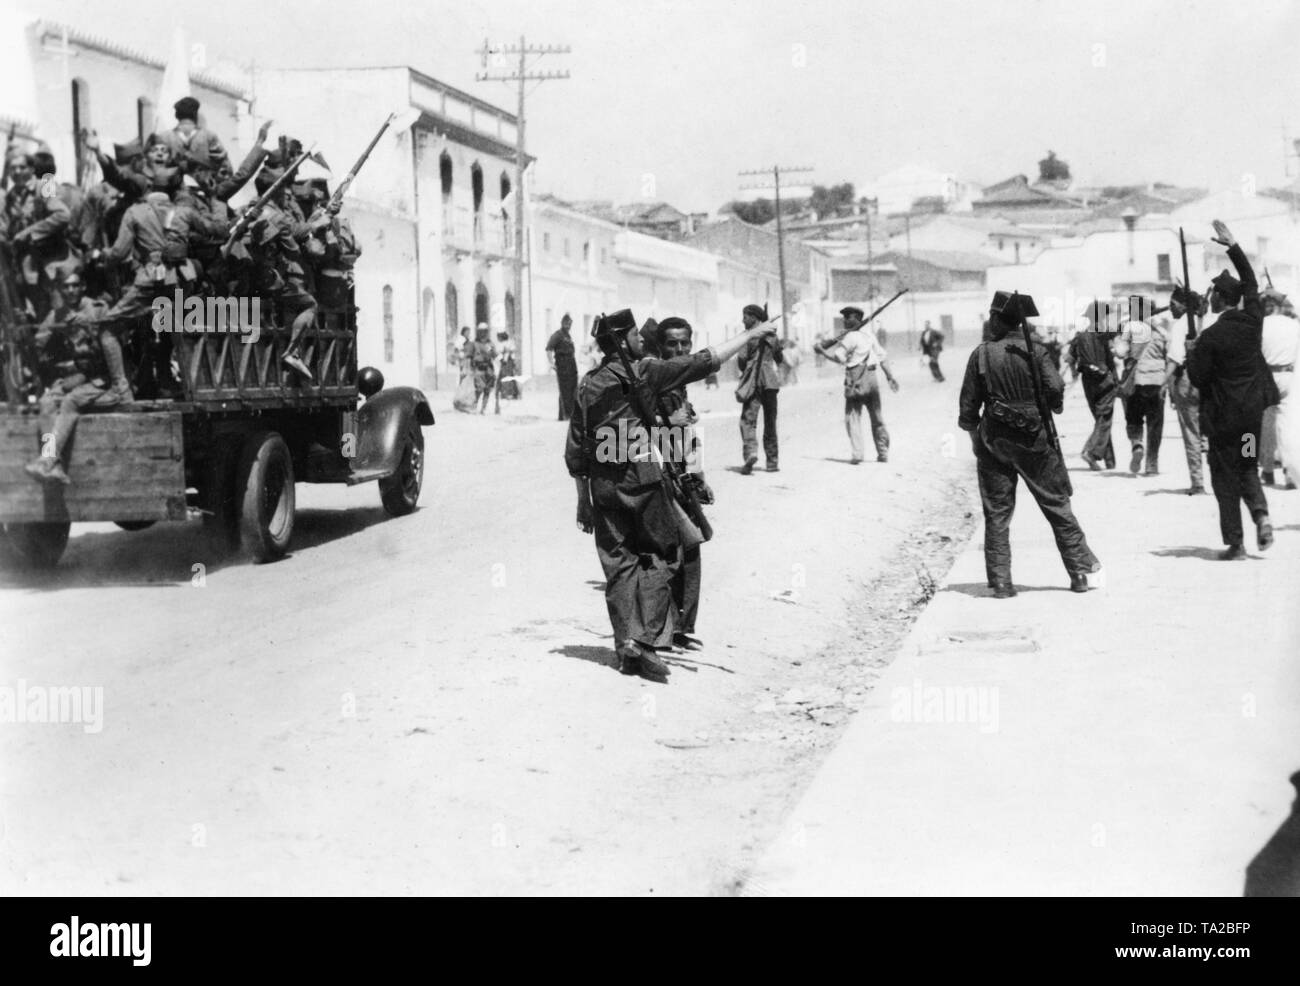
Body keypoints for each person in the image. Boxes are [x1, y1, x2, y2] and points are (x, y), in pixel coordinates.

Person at [566, 308, 777, 680]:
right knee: (664, 554)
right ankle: (644, 642)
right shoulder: (644, 372)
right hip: (641, 476)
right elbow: (704, 362)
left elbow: (577, 445)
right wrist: (751, 335)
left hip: (602, 482)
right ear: (624, 340)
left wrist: (583, 498)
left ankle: (625, 646)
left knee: (618, 565)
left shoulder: (588, 383)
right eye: (634, 335)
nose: (639, 340)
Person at [958, 290, 1102, 596]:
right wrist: (1048, 404)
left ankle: (1001, 582)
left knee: (997, 512)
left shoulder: (982, 354)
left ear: (997, 319)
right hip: (1035, 437)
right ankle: (1079, 574)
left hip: (994, 438)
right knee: (1056, 503)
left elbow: (968, 409)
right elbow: (1056, 388)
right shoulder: (1035, 352)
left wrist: (976, 441)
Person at [1186, 220, 1279, 559]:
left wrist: (1192, 350)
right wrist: (1234, 246)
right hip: (1250, 418)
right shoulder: (1252, 322)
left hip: (1222, 422)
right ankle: (1261, 514)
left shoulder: (1210, 338)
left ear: (1220, 299)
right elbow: (1252, 283)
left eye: (1212, 294)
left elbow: (1197, 379)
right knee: (1248, 466)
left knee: (1224, 478)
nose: (1209, 298)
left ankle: (1236, 543)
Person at [24, 271, 133, 486]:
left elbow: (111, 349)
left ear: (82, 286)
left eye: (75, 286)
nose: (71, 290)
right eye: (66, 286)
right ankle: (53, 464)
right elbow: (38, 341)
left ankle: (47, 460)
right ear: (60, 289)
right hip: (82, 377)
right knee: (46, 403)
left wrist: (81, 370)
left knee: (70, 401)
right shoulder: (58, 314)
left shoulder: (98, 309)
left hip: (104, 380)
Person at [647, 315, 712, 649]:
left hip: (681, 474)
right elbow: (630, 427)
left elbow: (688, 435)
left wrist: (700, 475)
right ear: (661, 345)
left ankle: (681, 627)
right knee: (667, 553)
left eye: (685, 343)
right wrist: (665, 422)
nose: (680, 349)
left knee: (690, 550)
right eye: (672, 343)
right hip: (657, 475)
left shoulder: (680, 382)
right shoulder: (653, 376)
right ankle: (662, 630)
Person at [818, 305, 899, 464]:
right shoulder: (870, 336)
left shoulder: (849, 337)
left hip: (856, 380)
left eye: (847, 317)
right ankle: (883, 452)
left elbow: (838, 357)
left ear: (855, 319)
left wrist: (822, 352)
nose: (844, 320)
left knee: (852, 417)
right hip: (872, 378)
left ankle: (858, 454)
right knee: (877, 417)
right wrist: (890, 377)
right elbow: (882, 357)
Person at [1112, 295, 1167, 476]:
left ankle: (1137, 443)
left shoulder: (1129, 328)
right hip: (1157, 381)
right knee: (1155, 423)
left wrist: (1116, 342)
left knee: (1133, 417)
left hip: (1134, 380)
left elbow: (1121, 353)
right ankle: (1152, 465)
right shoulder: (1161, 329)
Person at [1162, 286, 1206, 494]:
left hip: (1187, 379)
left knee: (1191, 432)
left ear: (1183, 304)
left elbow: (1175, 358)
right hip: (1209, 380)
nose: (1171, 309)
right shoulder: (1205, 320)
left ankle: (1197, 481)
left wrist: (1163, 383)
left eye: (1173, 304)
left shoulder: (1181, 325)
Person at [1064, 299, 1117, 470]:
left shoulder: (1079, 336)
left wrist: (1073, 373)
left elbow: (1069, 358)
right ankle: (1091, 451)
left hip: (1088, 381)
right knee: (1104, 418)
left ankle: (1109, 461)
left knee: (1100, 419)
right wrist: (1116, 379)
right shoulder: (1104, 334)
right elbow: (1110, 360)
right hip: (1104, 380)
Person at [736, 303, 784, 473]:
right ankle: (772, 461)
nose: (743, 320)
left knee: (748, 420)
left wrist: (749, 366)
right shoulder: (772, 336)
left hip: (753, 381)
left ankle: (751, 453)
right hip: (771, 382)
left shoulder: (748, 336)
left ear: (754, 318)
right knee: (770, 422)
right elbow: (779, 357)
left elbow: (741, 360)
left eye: (745, 316)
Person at [1259, 287, 1299, 488]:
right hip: (1290, 375)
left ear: (1267, 304)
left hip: (1267, 376)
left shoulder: (1261, 325)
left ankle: (1267, 470)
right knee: (1287, 425)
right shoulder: (1294, 325)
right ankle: (1289, 471)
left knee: (1266, 424)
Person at [546, 313, 579, 420]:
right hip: (562, 364)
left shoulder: (568, 336)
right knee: (565, 390)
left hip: (571, 364)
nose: (568, 326)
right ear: (562, 323)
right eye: (566, 323)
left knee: (572, 389)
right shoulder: (557, 335)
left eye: (570, 324)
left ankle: (567, 414)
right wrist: (551, 363)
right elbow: (548, 349)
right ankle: (565, 415)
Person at [469, 323, 496, 414]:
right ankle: (474, 406)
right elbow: (469, 356)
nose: (483, 333)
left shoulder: (490, 343)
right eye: (481, 331)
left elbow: (494, 355)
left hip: (488, 368)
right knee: (479, 389)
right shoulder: (474, 343)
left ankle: (483, 409)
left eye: (485, 331)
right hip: (478, 368)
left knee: (487, 389)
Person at [452, 326, 477, 413]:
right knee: (463, 382)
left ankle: (466, 403)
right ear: (464, 332)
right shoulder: (461, 340)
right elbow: (456, 351)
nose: (468, 334)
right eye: (467, 332)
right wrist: (460, 357)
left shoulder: (468, 342)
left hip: (468, 363)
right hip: (463, 363)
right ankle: (460, 402)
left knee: (468, 383)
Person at [496, 331, 520, 401]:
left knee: (507, 377)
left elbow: (510, 350)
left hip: (507, 362)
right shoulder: (503, 344)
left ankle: (509, 393)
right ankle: (506, 393)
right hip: (505, 362)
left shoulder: (507, 343)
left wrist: (506, 352)